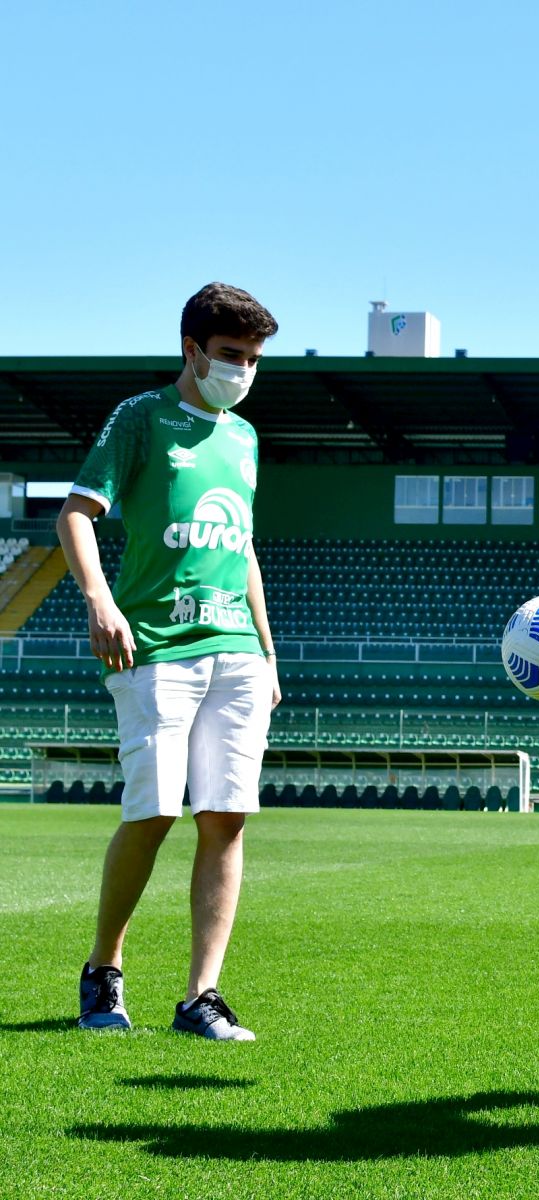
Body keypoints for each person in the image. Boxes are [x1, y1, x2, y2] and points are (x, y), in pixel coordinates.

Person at [59, 282, 282, 1041]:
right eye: (230, 356)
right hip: (153, 645)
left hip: (237, 654)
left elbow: (244, 548)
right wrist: (100, 601)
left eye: (253, 359)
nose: (243, 371)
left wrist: (268, 650)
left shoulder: (245, 438)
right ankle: (103, 970)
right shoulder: (140, 417)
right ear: (192, 349)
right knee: (152, 813)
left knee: (226, 818)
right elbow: (76, 513)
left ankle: (201, 997)